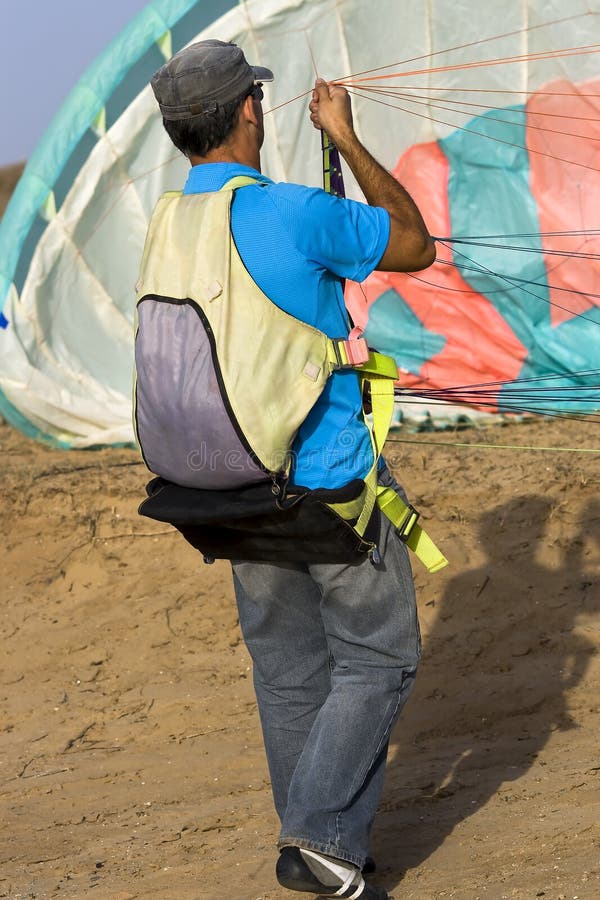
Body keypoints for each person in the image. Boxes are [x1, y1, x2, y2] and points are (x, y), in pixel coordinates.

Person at [148, 39, 435, 900]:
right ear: (249, 110)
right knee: (378, 658)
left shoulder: (167, 222)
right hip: (329, 485)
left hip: (226, 486)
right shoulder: (294, 211)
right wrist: (345, 138)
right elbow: (414, 244)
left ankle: (324, 846)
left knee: (288, 672)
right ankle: (319, 836)